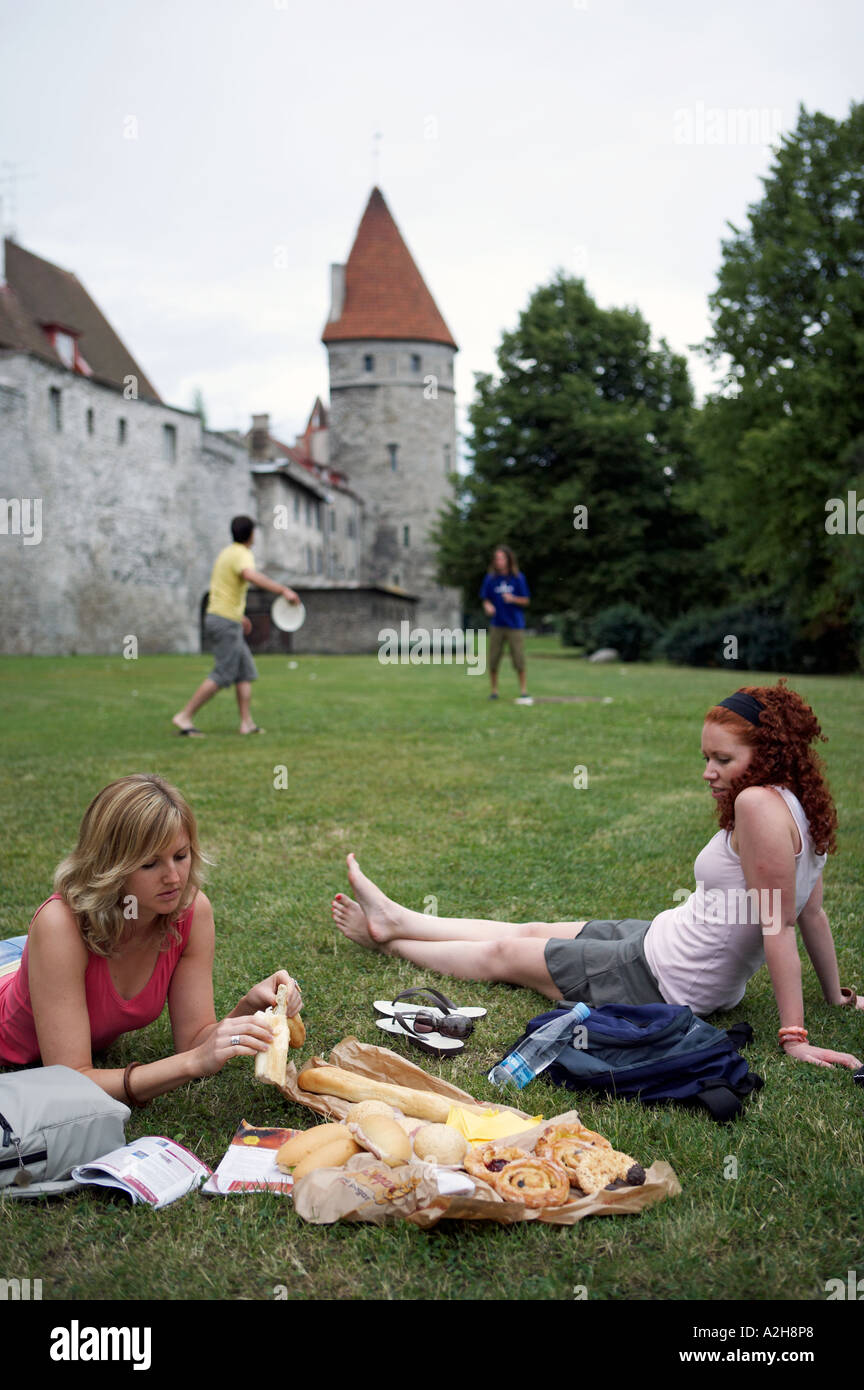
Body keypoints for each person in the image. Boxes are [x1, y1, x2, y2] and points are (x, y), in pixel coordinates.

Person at [332, 681, 863, 1071]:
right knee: (529, 931)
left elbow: (782, 924)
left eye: (722, 759)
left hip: (661, 979)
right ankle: (399, 917)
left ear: (768, 752)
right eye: (707, 758)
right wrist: (836, 996)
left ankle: (389, 941)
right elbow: (811, 910)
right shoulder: (800, 805)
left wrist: (793, 1035)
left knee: (505, 956)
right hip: (662, 939)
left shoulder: (757, 805)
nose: (708, 772)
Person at [0, 775, 302, 1104]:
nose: (173, 877)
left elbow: (195, 1042)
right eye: (149, 863)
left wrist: (249, 1008)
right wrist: (190, 1064)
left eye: (181, 856)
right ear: (110, 866)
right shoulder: (61, 926)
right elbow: (71, 1081)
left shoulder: (191, 911)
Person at [172, 515, 299, 736]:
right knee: (223, 673)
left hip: (225, 617)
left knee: (244, 672)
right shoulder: (242, 554)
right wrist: (283, 590)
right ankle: (185, 716)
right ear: (251, 534)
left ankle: (246, 724)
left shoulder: (226, 553)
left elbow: (225, 588)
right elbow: (249, 575)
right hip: (224, 620)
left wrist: (239, 616)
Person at [480, 545, 531, 703]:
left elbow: (526, 600)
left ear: (509, 559)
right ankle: (494, 691)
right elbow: (485, 597)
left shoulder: (518, 578)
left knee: (518, 658)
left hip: (515, 624)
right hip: (497, 624)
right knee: (493, 658)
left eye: (502, 558)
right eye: (496, 558)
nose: (499, 561)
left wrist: (513, 599)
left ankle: (523, 690)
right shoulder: (490, 579)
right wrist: (487, 605)